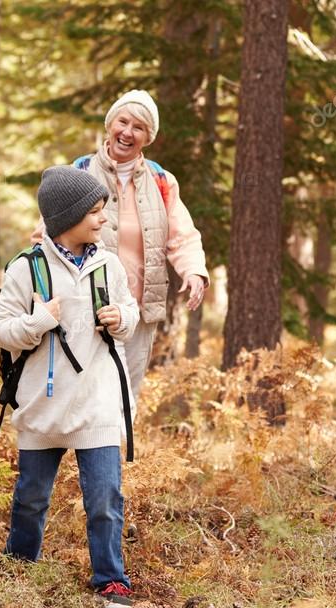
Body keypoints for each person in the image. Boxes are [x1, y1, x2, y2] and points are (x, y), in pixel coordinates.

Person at [0, 165, 140, 608]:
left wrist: (121, 318)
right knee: (32, 497)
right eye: (95, 212)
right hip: (43, 404)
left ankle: (111, 579)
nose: (103, 220)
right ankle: (19, 568)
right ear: (66, 217)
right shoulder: (25, 269)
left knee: (105, 498)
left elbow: (129, 311)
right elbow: (0, 329)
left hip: (96, 402)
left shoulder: (108, 265)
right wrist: (38, 322)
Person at [34, 90, 209, 398]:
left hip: (138, 310)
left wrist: (194, 271)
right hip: (84, 308)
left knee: (126, 395)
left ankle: (118, 448)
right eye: (123, 122)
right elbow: (44, 237)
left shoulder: (161, 181)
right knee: (81, 392)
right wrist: (37, 290)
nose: (128, 132)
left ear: (148, 137)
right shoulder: (80, 172)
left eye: (139, 127)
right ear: (109, 124)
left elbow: (182, 235)